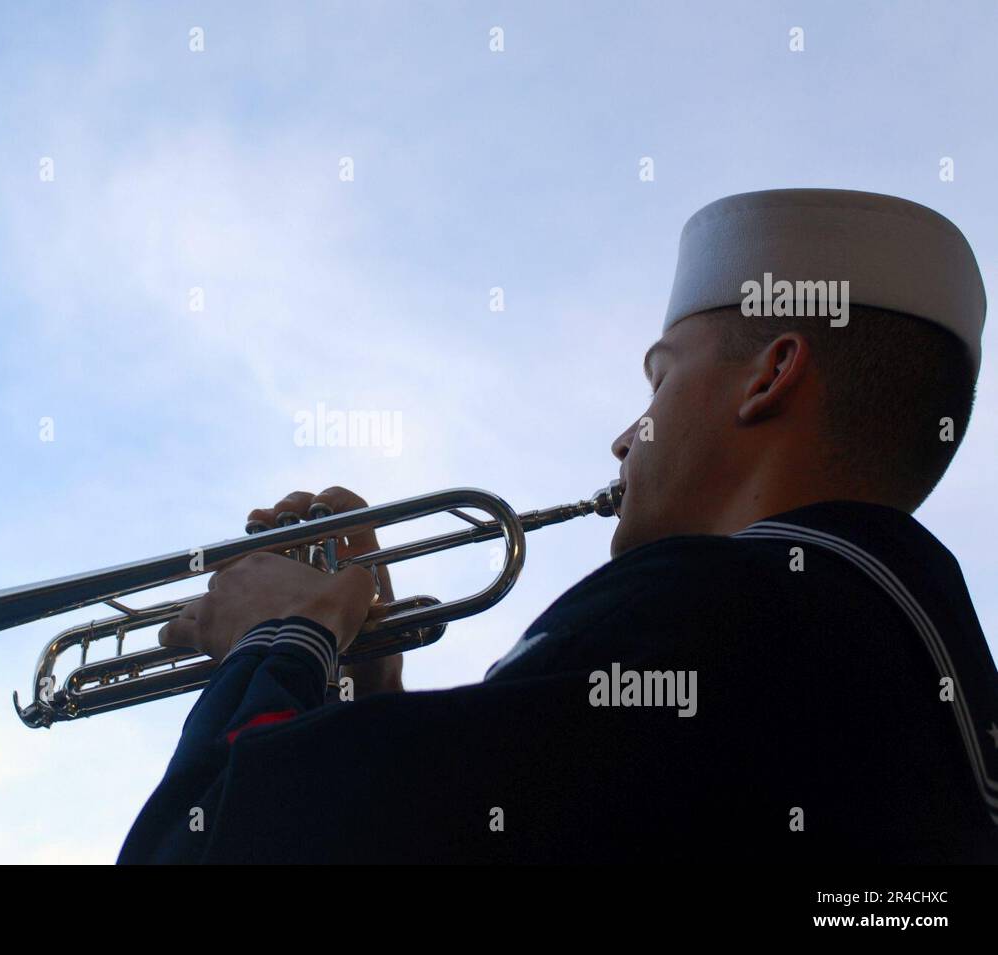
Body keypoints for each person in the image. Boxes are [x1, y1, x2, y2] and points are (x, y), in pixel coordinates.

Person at [118, 189, 998, 863]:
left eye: (658, 382)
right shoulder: (901, 645)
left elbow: (210, 844)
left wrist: (276, 638)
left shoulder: (719, 607)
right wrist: (359, 690)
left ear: (769, 375)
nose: (623, 437)